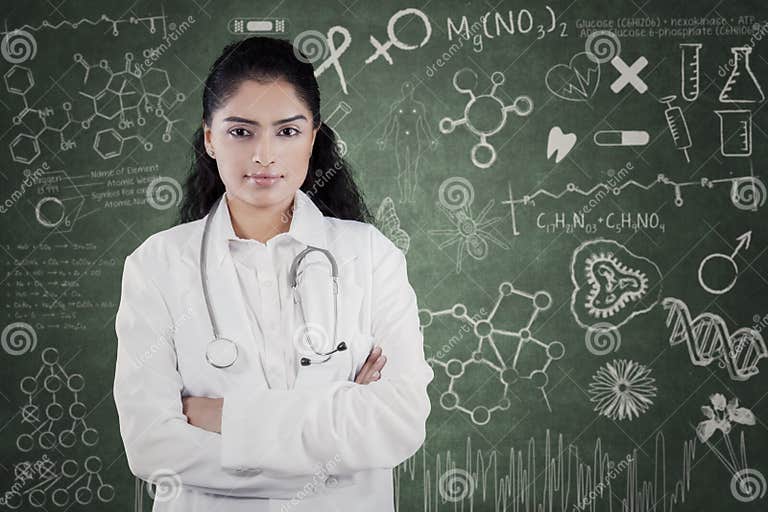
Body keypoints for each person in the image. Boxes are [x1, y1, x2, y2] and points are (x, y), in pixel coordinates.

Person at [112, 36, 434, 511]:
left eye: (287, 131)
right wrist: (338, 447)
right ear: (209, 138)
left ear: (312, 137)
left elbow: (398, 424)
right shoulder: (156, 265)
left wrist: (222, 417)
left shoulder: (371, 256)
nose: (264, 155)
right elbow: (152, 448)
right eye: (241, 132)